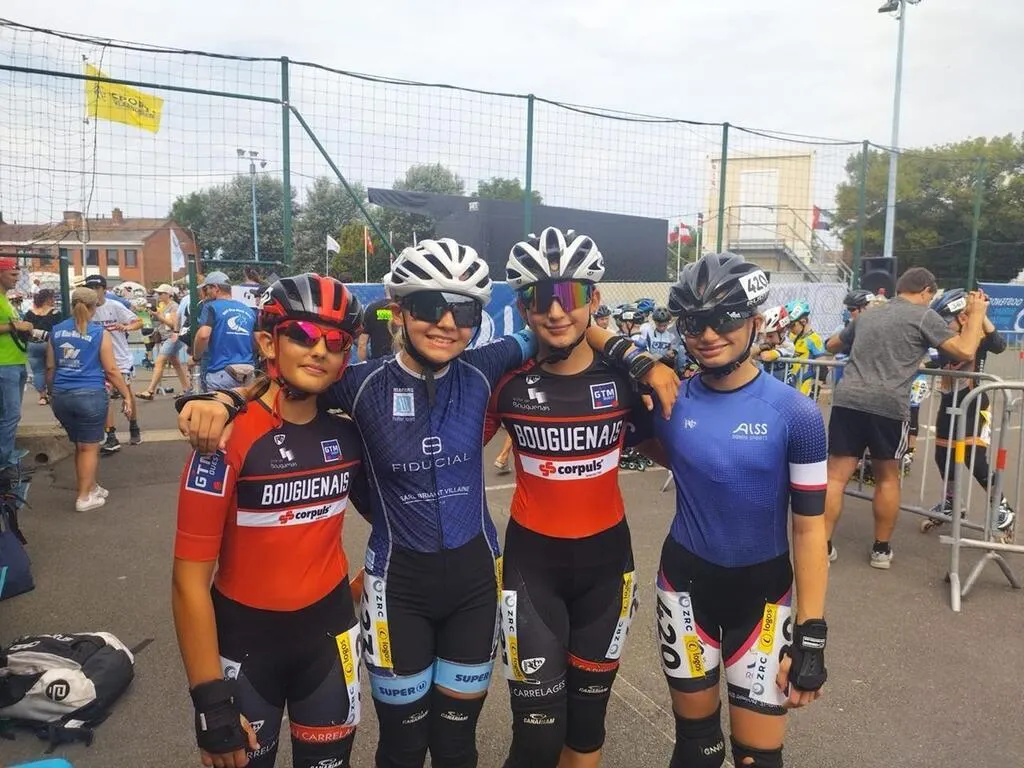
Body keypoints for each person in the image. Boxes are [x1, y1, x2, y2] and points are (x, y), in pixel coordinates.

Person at [176, 244, 677, 768]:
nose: (445, 323)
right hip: (399, 591)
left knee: (459, 746)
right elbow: (293, 379)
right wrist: (225, 400)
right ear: (400, 310)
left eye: (462, 311)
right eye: (428, 306)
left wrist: (635, 357)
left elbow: (565, 326)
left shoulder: (487, 367)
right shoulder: (358, 382)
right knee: (403, 747)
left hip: (473, 587)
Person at [632, 252, 829, 768]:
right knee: (697, 750)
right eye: (694, 322)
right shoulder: (667, 402)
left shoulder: (797, 415)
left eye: (726, 318)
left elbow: (810, 531)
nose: (709, 334)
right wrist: (636, 360)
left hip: (763, 599)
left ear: (756, 323)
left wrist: (812, 635)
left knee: (758, 760)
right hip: (684, 587)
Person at [173, 274, 366, 768]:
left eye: (336, 340)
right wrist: (209, 700)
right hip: (245, 645)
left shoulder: (349, 431)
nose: (320, 349)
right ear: (267, 341)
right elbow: (188, 582)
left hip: (329, 636)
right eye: (302, 334)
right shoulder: (224, 438)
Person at [489, 227, 662, 768]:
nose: (556, 311)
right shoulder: (506, 381)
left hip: (607, 568)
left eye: (570, 295)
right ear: (522, 307)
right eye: (541, 298)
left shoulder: (627, 379)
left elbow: (689, 455)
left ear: (594, 300)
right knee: (537, 736)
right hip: (531, 567)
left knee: (586, 730)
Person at [823, 267, 989, 568]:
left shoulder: (871, 313)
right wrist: (976, 313)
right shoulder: (924, 316)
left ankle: (821, 545)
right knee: (888, 477)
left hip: (848, 400)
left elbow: (832, 344)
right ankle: (881, 549)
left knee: (835, 476)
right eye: (930, 296)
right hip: (888, 405)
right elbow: (964, 351)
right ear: (926, 291)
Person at [921, 288, 1014, 534]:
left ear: (962, 318)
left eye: (946, 321)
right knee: (943, 457)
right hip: (949, 403)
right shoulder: (945, 341)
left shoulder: (978, 337)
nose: (943, 327)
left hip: (974, 404)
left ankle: (1001, 505)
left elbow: (1000, 345)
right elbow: (936, 361)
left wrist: (979, 315)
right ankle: (952, 502)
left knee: (975, 459)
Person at [46, 288, 133, 512]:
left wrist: (50, 392)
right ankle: (84, 497)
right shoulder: (98, 332)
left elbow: (50, 367)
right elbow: (112, 370)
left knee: (81, 445)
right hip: (90, 395)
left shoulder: (56, 330)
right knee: (89, 447)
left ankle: (90, 486)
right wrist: (126, 395)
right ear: (95, 308)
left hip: (62, 395)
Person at [84, 274, 142, 453]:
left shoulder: (115, 306)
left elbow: (138, 322)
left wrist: (126, 327)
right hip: (98, 360)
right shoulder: (86, 309)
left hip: (119, 359)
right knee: (105, 396)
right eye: (90, 288)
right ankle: (111, 436)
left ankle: (133, 425)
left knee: (127, 393)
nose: (93, 292)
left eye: (97, 288)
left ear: (103, 289)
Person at [192, 272, 257, 391]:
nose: (206, 293)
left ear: (216, 288)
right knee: (244, 408)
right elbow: (257, 339)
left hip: (221, 371)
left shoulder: (212, 307)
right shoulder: (248, 310)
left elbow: (203, 335)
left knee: (217, 408)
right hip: (248, 371)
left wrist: (196, 357)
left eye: (207, 289)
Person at [0, 256, 31, 490]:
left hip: (15, 362)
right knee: (9, 416)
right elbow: (11, 327)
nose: (17, 278)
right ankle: (4, 464)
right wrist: (15, 326)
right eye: (12, 274)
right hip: (4, 365)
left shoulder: (6, 300)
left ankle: (7, 459)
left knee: (11, 415)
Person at [137, 284, 191, 399]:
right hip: (168, 337)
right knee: (176, 363)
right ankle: (187, 389)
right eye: (158, 293)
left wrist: (159, 316)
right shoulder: (163, 306)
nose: (159, 295)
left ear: (169, 295)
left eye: (161, 293)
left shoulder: (174, 307)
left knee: (159, 362)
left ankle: (150, 390)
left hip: (172, 337)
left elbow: (173, 325)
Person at [23, 289, 61, 405]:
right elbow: (57, 329)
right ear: (48, 299)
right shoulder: (55, 313)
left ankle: (42, 396)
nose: (54, 300)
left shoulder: (29, 313)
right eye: (52, 298)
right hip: (48, 343)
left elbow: (25, 329)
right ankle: (52, 393)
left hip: (33, 344)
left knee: (38, 371)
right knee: (52, 368)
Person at [755, 304, 795, 383]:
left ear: (782, 333)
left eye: (770, 336)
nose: (766, 340)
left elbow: (766, 356)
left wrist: (761, 349)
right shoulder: (765, 343)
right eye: (764, 336)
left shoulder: (788, 345)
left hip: (785, 384)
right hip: (768, 383)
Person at [357, 288, 397, 362]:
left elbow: (362, 345)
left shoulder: (372, 309)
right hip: (398, 363)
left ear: (385, 290)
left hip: (377, 362)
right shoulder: (403, 310)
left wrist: (365, 367)